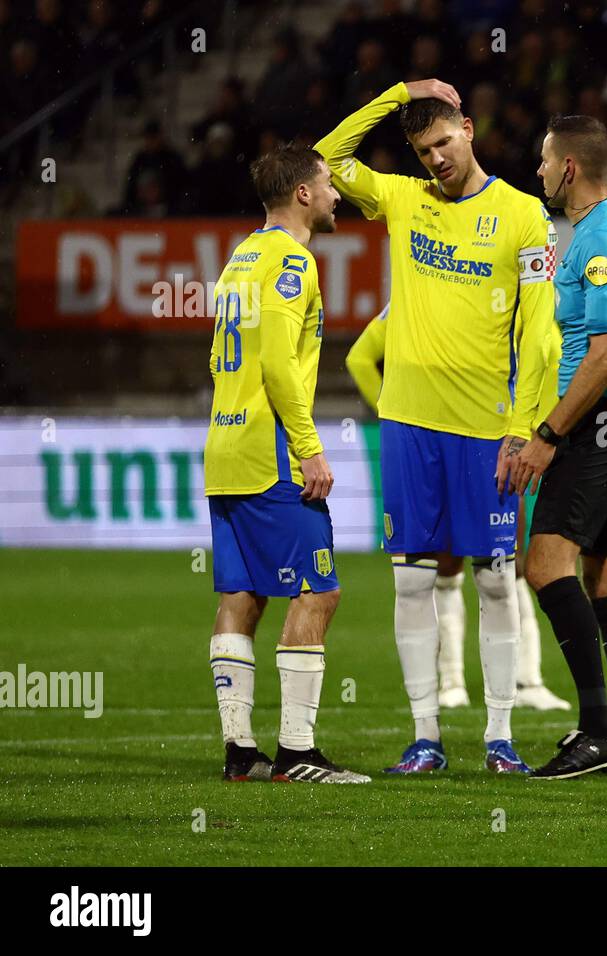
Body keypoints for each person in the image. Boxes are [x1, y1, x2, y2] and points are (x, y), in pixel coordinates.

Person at [315, 78, 558, 775]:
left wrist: (524, 426)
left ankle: (500, 737)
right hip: (409, 425)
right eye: (423, 151)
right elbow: (323, 159)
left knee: (494, 579)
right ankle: (426, 736)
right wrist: (398, 93)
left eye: (444, 143)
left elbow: (540, 334)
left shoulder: (522, 215)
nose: (436, 160)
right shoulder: (401, 196)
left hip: (487, 428)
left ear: (469, 130)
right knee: (413, 581)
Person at [204, 144, 369, 784]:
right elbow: (275, 362)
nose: (335, 195)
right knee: (318, 589)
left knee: (241, 595)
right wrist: (308, 447)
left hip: (225, 442)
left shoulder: (242, 254)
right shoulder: (291, 263)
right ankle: (297, 753)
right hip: (269, 447)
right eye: (328, 185)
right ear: (302, 193)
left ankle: (240, 750)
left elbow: (225, 359)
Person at [510, 115, 607, 779]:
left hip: (603, 418)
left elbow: (604, 356)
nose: (538, 171)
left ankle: (598, 731)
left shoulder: (600, 243)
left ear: (569, 167)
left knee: (543, 564)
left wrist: (547, 436)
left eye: (544, 161)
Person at [344, 303, 572, 711]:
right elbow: (359, 357)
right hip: (480, 442)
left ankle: (521, 681)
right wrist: (397, 415)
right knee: (457, 568)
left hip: (497, 445)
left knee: (503, 564)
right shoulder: (426, 296)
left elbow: (551, 366)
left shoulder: (523, 300)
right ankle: (461, 682)